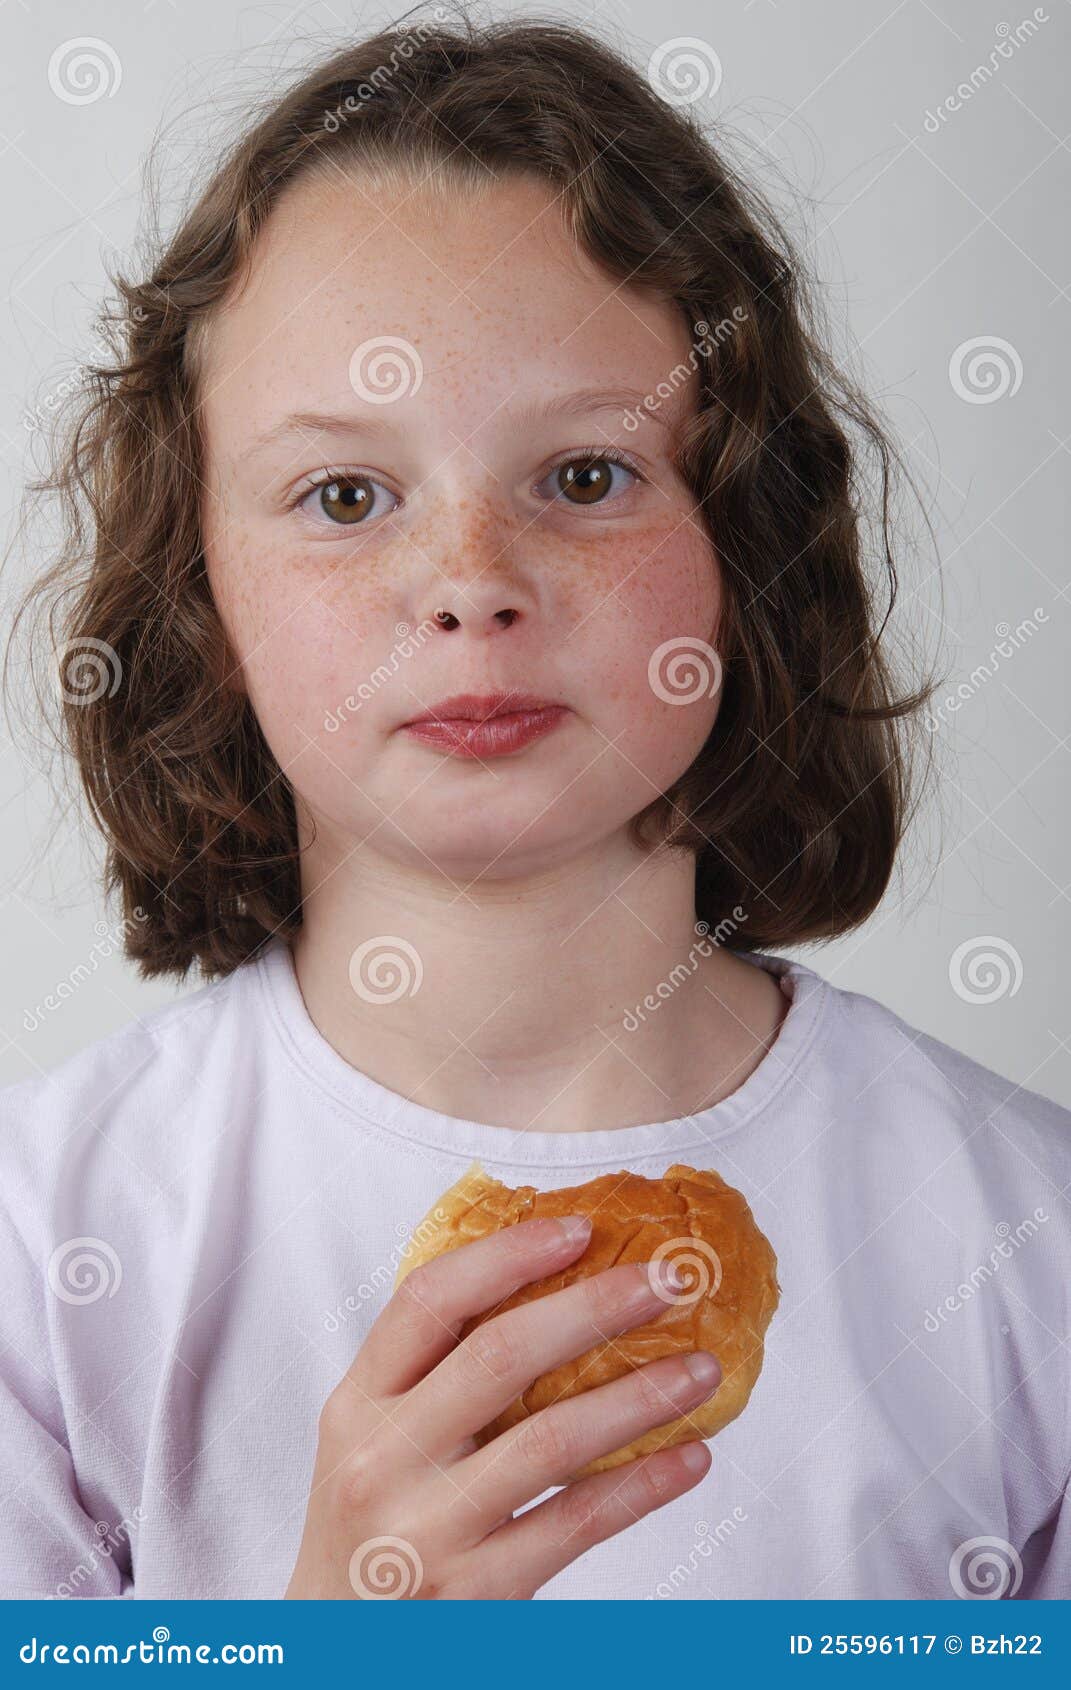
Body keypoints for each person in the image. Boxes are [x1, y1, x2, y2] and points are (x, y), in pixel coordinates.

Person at [2, 10, 1067, 1601]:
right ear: (200, 594)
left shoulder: (1027, 1245)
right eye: (345, 495)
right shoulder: (42, 1257)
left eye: (582, 476)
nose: (470, 583)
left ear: (746, 552)